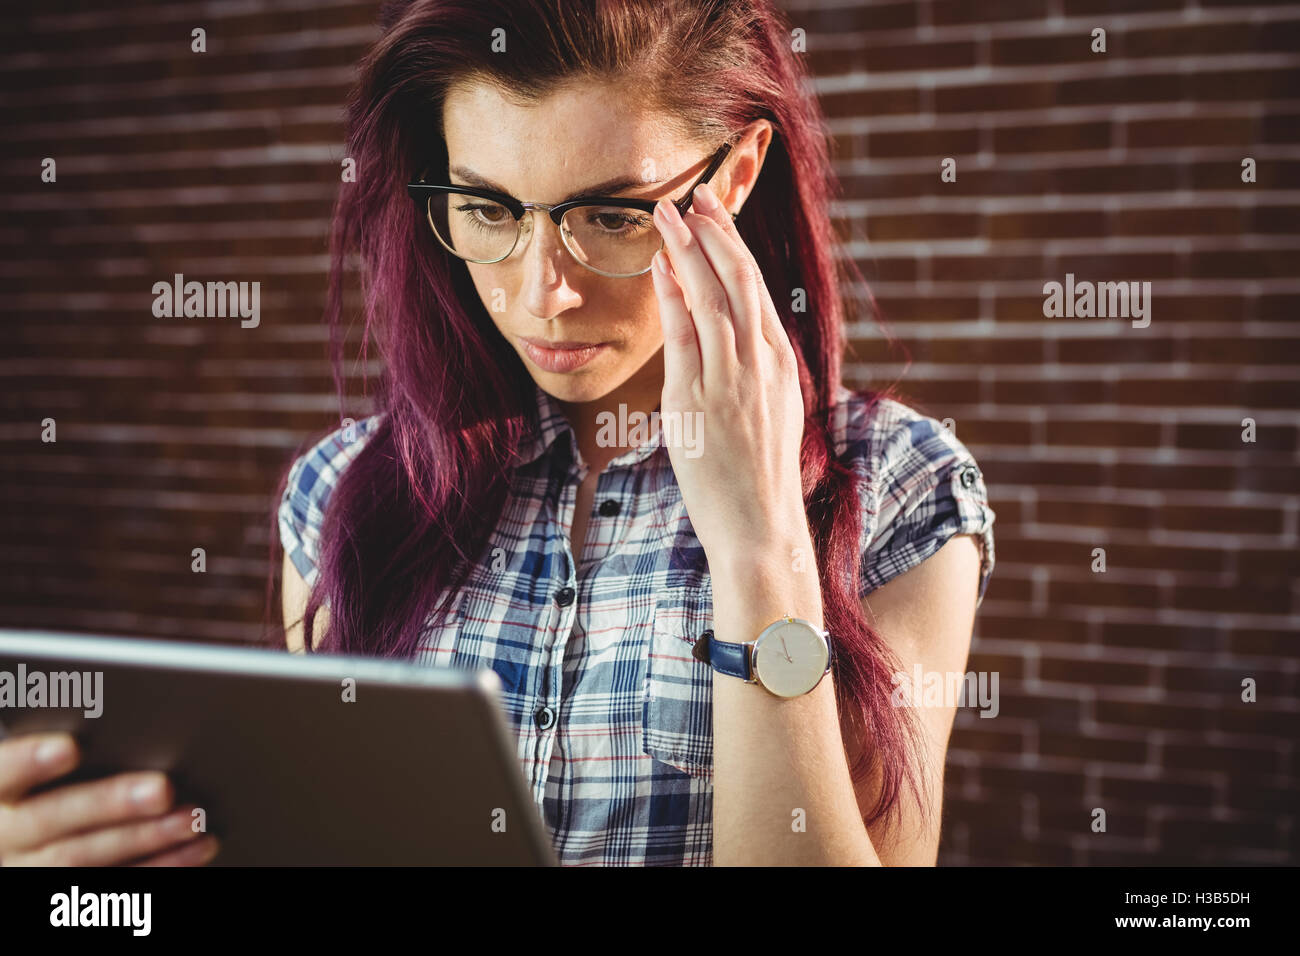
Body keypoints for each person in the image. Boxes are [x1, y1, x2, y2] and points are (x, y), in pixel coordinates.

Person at [0, 0, 994, 867]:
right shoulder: (346, 490)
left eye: (610, 216)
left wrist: (762, 543)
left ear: (731, 177)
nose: (540, 292)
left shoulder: (898, 490)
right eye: (486, 206)